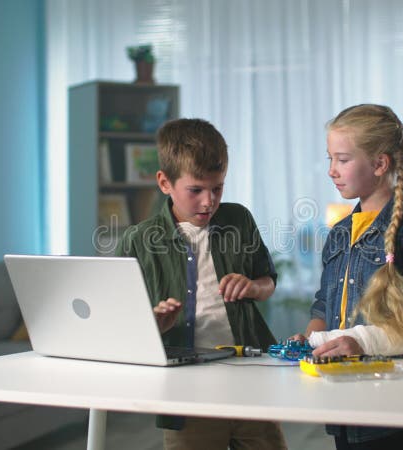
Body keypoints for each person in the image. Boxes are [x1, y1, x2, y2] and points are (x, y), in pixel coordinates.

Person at [116, 118, 287, 450]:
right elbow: (125, 327)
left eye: (218, 188)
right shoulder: (137, 241)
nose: (209, 201)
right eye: (196, 190)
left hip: (250, 379)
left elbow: (269, 282)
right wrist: (153, 323)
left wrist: (253, 287)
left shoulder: (239, 220)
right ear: (165, 183)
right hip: (186, 390)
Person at [291, 104, 403, 450]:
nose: (332, 171)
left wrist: (361, 342)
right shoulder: (338, 233)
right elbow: (323, 304)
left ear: (380, 164)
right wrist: (310, 340)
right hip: (342, 402)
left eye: (343, 160)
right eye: (330, 159)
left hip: (392, 403)